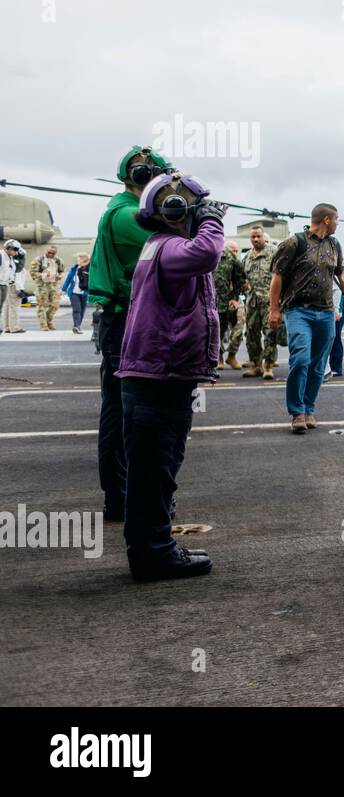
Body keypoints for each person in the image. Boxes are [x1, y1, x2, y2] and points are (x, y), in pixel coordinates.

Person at [117, 170, 225, 581]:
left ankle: (155, 547)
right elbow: (207, 254)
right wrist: (213, 220)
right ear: (177, 210)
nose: (204, 218)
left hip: (158, 374)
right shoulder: (171, 248)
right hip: (158, 375)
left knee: (154, 470)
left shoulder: (158, 246)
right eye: (199, 210)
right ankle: (153, 556)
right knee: (155, 470)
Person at [87, 145, 174, 521]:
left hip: (124, 321)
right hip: (123, 323)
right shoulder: (125, 215)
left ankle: (120, 497)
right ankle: (122, 497)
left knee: (122, 411)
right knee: (125, 413)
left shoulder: (125, 210)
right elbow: (178, 249)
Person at [268, 205, 344, 433]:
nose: (338, 224)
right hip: (299, 311)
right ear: (326, 220)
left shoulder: (334, 245)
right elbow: (277, 277)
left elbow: (343, 274)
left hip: (326, 312)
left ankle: (308, 408)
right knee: (300, 359)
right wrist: (274, 309)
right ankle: (297, 412)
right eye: (337, 219)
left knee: (318, 366)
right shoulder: (294, 243)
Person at [241, 226, 278, 380]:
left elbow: (283, 275)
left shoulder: (274, 252)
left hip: (270, 302)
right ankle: (256, 365)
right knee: (251, 335)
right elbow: (242, 277)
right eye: (253, 237)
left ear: (263, 237)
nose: (256, 239)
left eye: (258, 236)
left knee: (270, 333)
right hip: (252, 303)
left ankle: (268, 366)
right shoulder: (247, 256)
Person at [214, 241, 246, 370]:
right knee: (217, 333)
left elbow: (240, 278)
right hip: (211, 303)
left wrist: (234, 297)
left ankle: (231, 355)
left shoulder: (230, 258)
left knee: (238, 329)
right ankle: (219, 358)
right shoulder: (208, 254)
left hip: (228, 302)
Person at [29, 246, 65, 331]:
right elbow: (33, 272)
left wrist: (59, 276)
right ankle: (43, 325)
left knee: (55, 305)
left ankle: (49, 321)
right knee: (42, 305)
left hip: (54, 285)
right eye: (49, 252)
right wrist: (43, 275)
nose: (50, 254)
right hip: (42, 286)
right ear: (46, 251)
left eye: (53, 253)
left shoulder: (58, 260)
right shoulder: (39, 259)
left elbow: (61, 271)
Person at [61, 253, 90, 333]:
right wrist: (63, 289)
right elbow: (68, 279)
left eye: (79, 259)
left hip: (85, 293)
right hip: (74, 293)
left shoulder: (89, 269)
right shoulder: (74, 269)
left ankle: (78, 326)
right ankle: (76, 326)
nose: (77, 260)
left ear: (83, 260)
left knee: (82, 310)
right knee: (77, 309)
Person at [2, 240, 25, 334]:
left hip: (6, 284)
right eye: (15, 249)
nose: (16, 252)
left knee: (7, 306)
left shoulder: (8, 257)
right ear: (9, 248)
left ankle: (7, 327)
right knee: (14, 306)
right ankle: (14, 327)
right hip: (7, 284)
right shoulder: (2, 256)